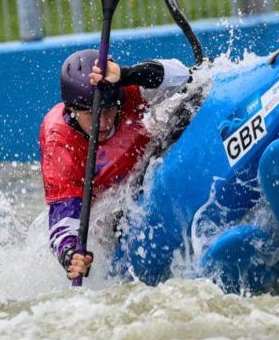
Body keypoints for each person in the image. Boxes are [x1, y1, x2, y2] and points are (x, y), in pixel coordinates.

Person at [40, 49, 190, 280]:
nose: (103, 122)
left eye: (109, 110)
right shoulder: (60, 142)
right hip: (111, 209)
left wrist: (128, 74)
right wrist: (70, 254)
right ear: (72, 109)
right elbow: (64, 215)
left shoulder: (123, 92)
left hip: (150, 169)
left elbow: (183, 76)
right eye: (92, 114)